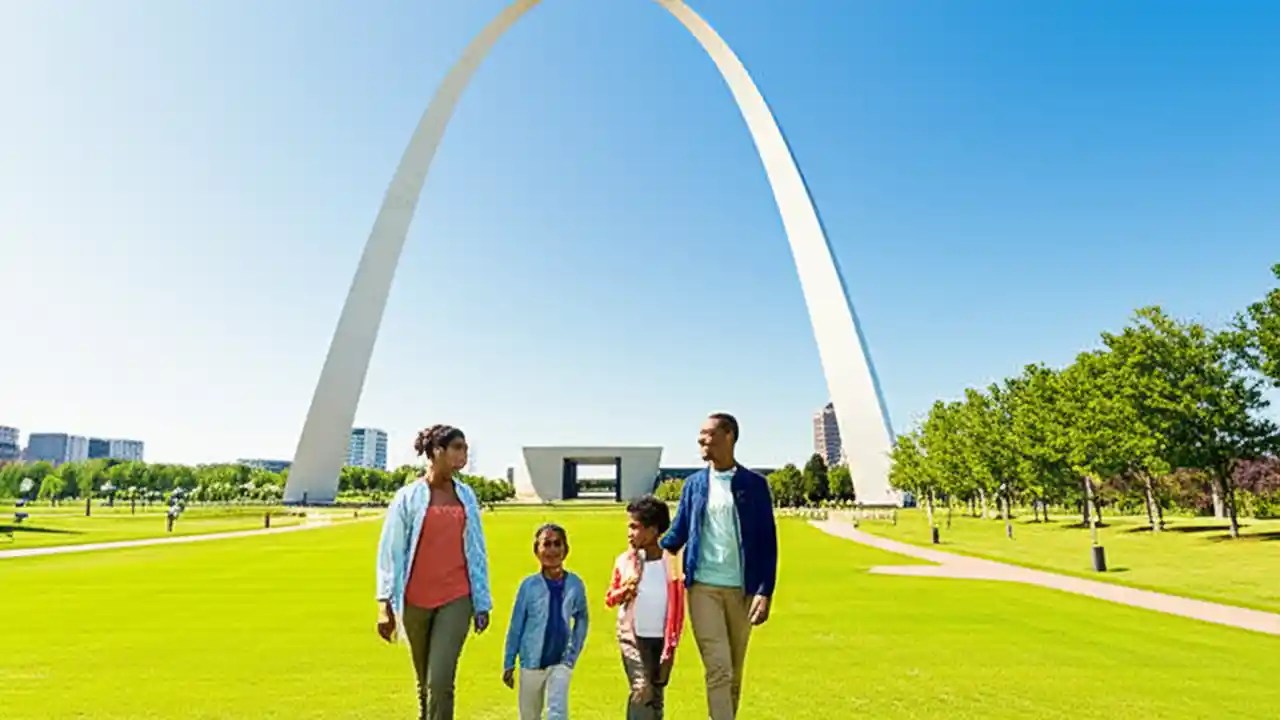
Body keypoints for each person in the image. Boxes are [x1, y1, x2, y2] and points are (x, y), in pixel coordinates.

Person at [659, 412, 778, 720]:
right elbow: (678, 533)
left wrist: (765, 592)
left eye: (708, 433)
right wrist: (644, 546)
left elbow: (767, 543)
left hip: (743, 592)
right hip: (702, 588)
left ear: (729, 436)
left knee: (734, 674)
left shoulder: (755, 485)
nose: (701, 439)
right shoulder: (694, 485)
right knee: (718, 668)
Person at [375, 424, 493, 720]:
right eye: (457, 447)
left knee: (440, 681)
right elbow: (390, 552)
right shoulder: (408, 497)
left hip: (456, 598)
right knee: (424, 683)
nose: (464, 454)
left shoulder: (466, 496)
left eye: (465, 448)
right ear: (436, 452)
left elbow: (477, 552)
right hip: (414, 600)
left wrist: (482, 602)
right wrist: (383, 605)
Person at [605, 494, 686, 720]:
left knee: (656, 695)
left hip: (661, 639)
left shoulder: (672, 564)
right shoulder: (625, 561)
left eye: (635, 527)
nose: (629, 533)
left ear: (653, 530)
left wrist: (671, 647)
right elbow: (610, 598)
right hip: (631, 637)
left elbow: (678, 609)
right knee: (641, 689)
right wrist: (624, 591)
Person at [503, 523, 590, 719]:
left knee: (557, 713)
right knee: (529, 715)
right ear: (537, 551)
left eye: (557, 544)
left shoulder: (575, 584)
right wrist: (509, 662)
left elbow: (582, 618)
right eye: (546, 544)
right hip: (531, 660)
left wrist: (572, 653)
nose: (552, 550)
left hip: (561, 660)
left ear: (565, 549)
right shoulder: (529, 586)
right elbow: (516, 625)